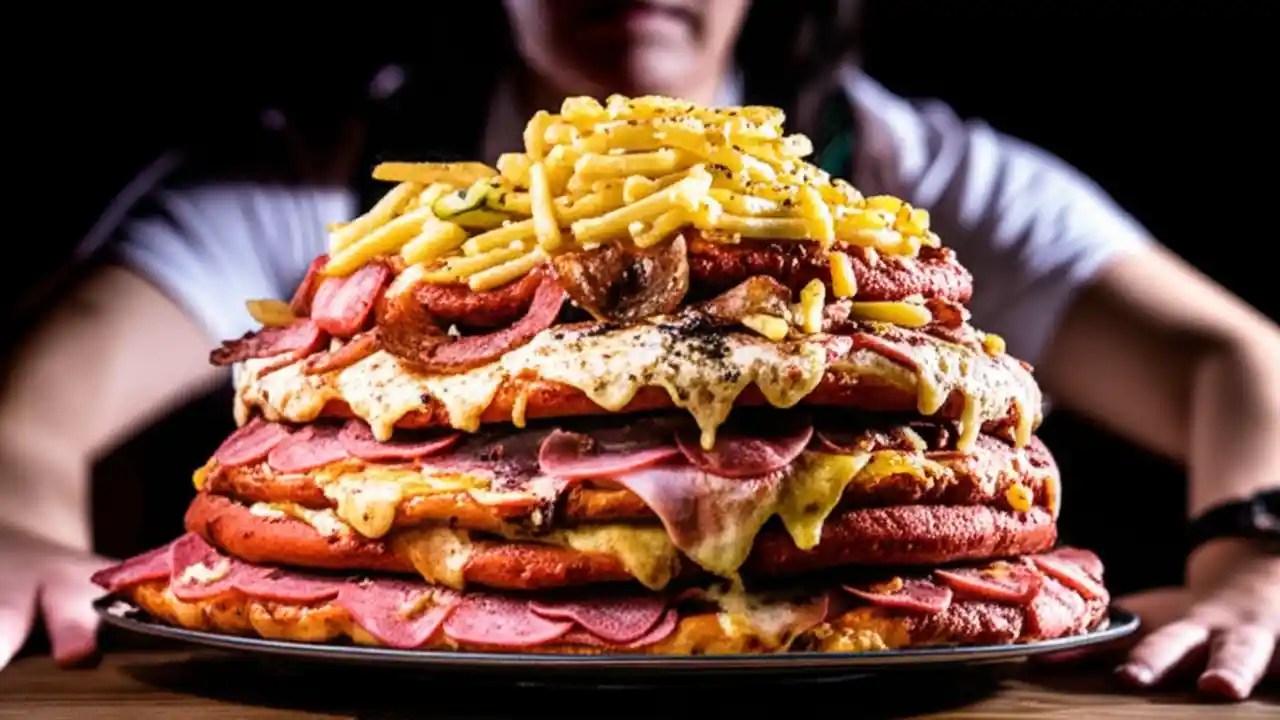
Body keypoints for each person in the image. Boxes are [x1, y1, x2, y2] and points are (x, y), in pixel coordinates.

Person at [2, 0, 1276, 699]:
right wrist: (18, 524)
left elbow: (1233, 356)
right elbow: (31, 411)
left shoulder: (915, 172)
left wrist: (1251, 551)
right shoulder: (328, 175)